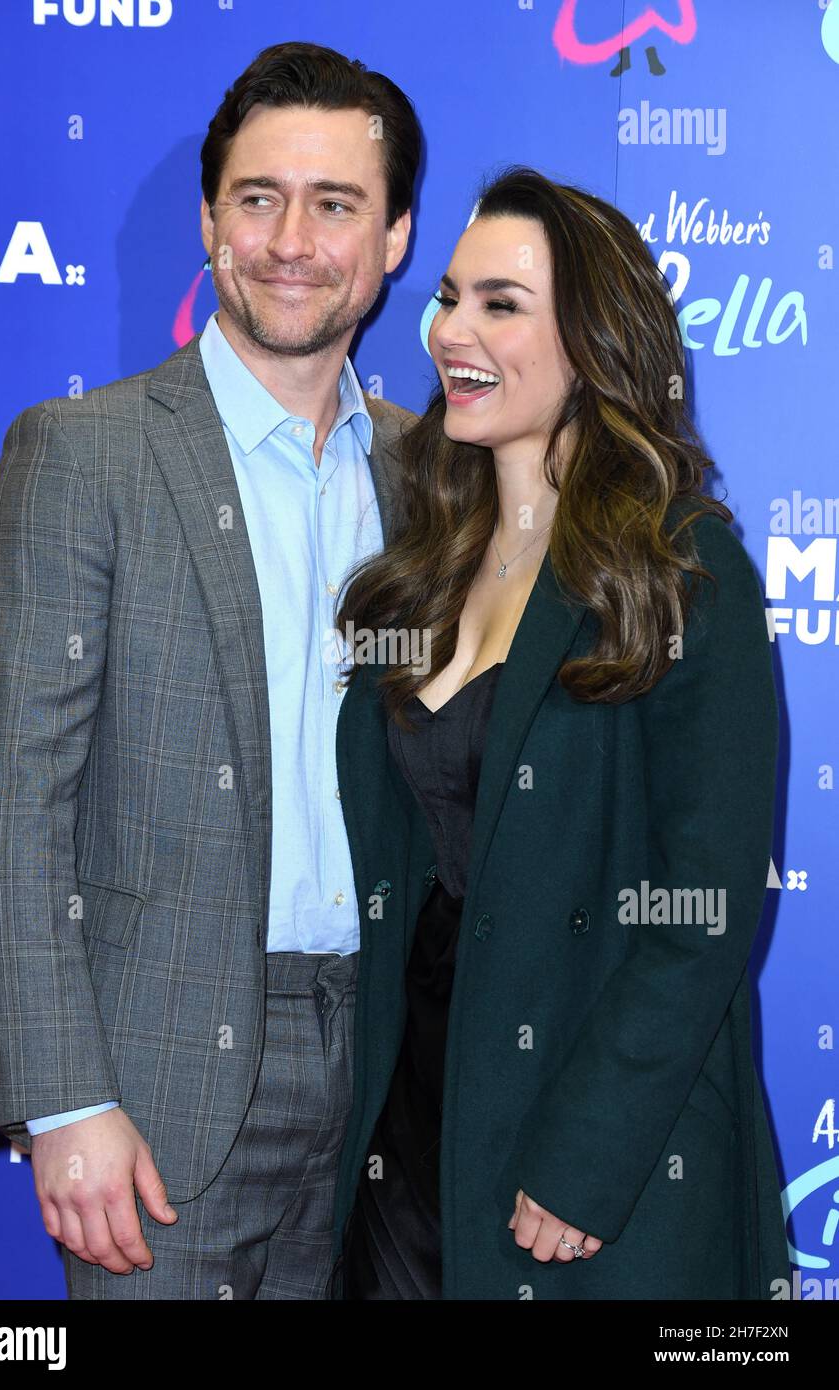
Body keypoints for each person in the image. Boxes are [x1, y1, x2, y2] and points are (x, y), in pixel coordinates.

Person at [0, 41, 421, 1300]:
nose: (290, 239)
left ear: (393, 240)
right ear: (210, 220)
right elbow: (8, 801)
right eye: (258, 198)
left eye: (336, 205)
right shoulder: (83, 454)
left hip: (390, 1078)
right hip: (156, 1089)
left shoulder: (439, 475)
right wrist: (63, 1098)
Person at [329, 166, 790, 1300]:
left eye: (501, 303)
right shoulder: (422, 564)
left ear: (591, 339)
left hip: (589, 1143)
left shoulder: (680, 569)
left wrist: (588, 1153)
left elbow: (706, 909)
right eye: (446, 297)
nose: (450, 332)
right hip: (410, 1119)